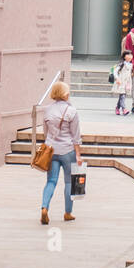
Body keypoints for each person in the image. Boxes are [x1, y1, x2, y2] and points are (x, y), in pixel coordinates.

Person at [40, 81, 83, 224]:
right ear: (65, 94)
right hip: (68, 150)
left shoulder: (47, 110)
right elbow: (76, 136)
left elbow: (45, 133)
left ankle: (44, 208)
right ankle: (67, 213)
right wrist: (78, 155)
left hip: (51, 150)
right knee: (69, 182)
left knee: (51, 181)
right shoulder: (72, 111)